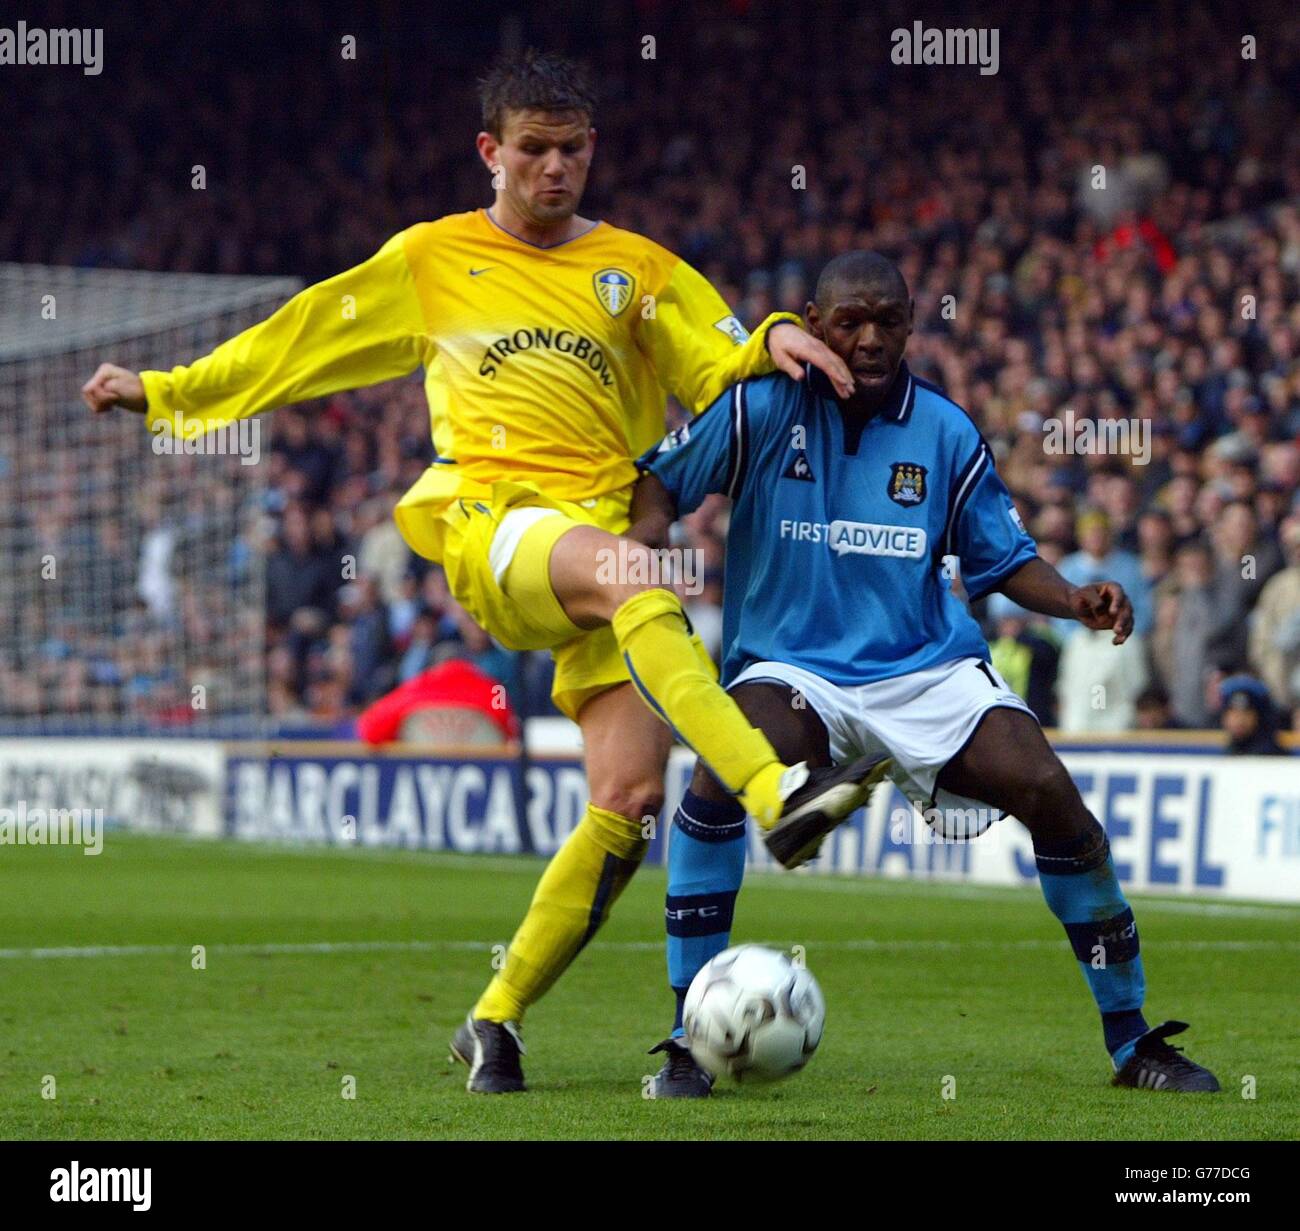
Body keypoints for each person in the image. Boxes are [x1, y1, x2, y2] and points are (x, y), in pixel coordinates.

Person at [81, 49, 882, 1095]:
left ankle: (492, 1021)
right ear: (489, 152)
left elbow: (718, 356)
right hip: (494, 523)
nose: (555, 170)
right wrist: (167, 390)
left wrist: (776, 332)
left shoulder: (638, 269)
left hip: (592, 547)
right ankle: (774, 788)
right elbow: (298, 341)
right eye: (534, 151)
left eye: (573, 150)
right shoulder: (430, 258)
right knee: (645, 579)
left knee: (630, 798)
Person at [630, 251, 1220, 1097]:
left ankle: (1134, 1043)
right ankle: (691, 1036)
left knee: (1047, 786)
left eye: (887, 321)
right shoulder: (758, 407)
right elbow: (658, 479)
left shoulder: (943, 429)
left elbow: (1002, 556)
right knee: (722, 772)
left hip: (924, 666)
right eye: (849, 321)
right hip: (793, 664)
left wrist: (1073, 599)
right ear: (815, 321)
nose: (868, 338)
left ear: (910, 322)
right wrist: (641, 550)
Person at [1218, 675, 1289, 756]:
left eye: (1246, 713)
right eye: (1233, 713)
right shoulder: (1228, 751)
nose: (1239, 720)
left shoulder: (1272, 754)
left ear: (1258, 716)